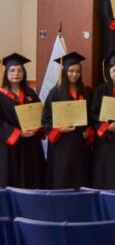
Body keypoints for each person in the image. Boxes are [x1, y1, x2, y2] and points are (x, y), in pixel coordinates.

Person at [42, 52, 95, 188]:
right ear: (64, 71)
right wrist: (59, 129)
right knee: (62, 177)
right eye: (71, 71)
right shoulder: (55, 92)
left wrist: (89, 131)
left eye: (78, 71)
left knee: (80, 176)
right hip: (62, 144)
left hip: (80, 143)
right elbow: (46, 119)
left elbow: (91, 117)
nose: (74, 74)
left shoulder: (86, 91)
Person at [0, 53, 45, 188]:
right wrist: (18, 133)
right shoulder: (1, 95)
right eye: (12, 70)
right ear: (6, 73)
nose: (16, 74)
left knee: (32, 179)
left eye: (20, 70)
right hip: (11, 147)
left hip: (31, 144)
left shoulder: (31, 94)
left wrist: (38, 127)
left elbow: (40, 115)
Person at [91, 51, 115, 190]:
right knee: (107, 173)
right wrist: (106, 127)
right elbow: (94, 114)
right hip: (107, 139)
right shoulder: (101, 89)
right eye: (114, 70)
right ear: (109, 71)